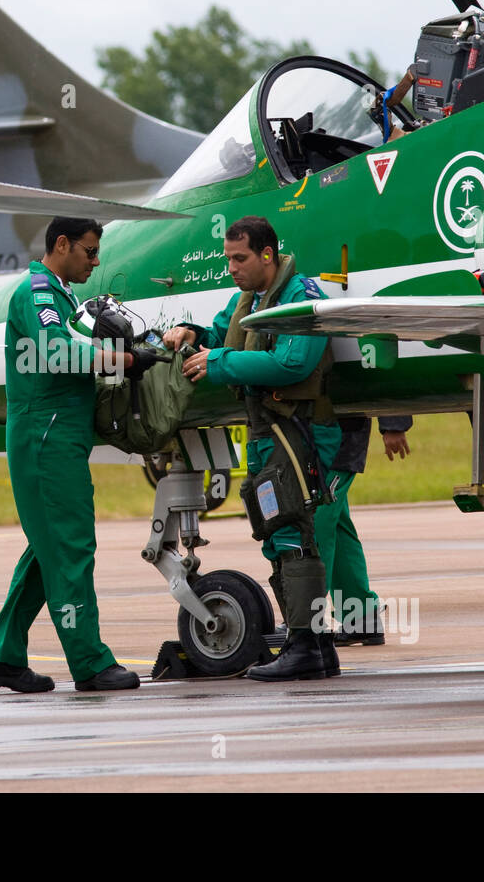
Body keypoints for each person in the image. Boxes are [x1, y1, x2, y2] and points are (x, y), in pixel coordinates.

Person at [0, 216, 159, 693]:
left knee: (47, 551)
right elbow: (58, 353)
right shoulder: (37, 293)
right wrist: (128, 360)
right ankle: (91, 663)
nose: (96, 262)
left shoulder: (59, 293)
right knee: (71, 549)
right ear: (62, 244)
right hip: (47, 438)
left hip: (58, 435)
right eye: (90, 252)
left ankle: (2, 656)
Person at [163, 215, 341, 682]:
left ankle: (305, 646)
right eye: (227, 258)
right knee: (277, 532)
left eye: (239, 258)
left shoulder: (302, 296)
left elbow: (291, 364)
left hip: (296, 430)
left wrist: (218, 362)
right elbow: (220, 333)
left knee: (292, 532)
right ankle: (316, 647)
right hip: (267, 434)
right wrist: (190, 333)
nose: (231, 268)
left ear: (267, 254)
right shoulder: (249, 300)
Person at [318, 416, 412, 645]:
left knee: (315, 523)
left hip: (340, 437)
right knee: (335, 525)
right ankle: (359, 616)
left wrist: (393, 423)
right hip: (321, 437)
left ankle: (304, 619)